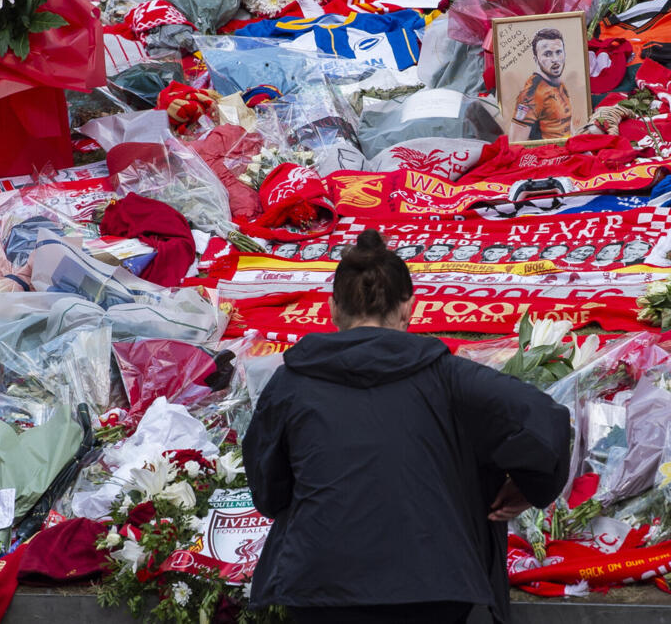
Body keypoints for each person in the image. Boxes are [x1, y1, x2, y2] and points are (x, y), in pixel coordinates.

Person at [243, 231, 571, 624]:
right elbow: (544, 420)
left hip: (319, 584)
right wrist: (530, 485)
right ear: (408, 308)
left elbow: (268, 490)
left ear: (332, 309)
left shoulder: (291, 384)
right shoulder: (450, 378)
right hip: (431, 585)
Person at [508, 28, 573, 142]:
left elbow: (568, 129)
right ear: (536, 59)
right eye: (547, 54)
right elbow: (516, 144)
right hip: (548, 156)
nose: (555, 59)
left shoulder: (559, 83)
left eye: (558, 52)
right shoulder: (532, 93)